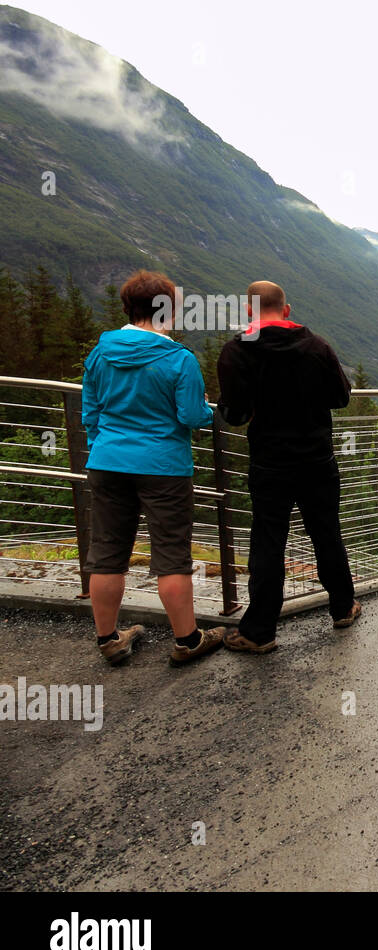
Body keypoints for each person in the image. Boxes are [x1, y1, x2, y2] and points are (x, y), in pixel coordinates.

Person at [81, 270, 226, 665]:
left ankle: (109, 639)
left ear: (128, 308)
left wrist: (103, 448)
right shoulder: (179, 359)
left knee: (106, 553)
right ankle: (187, 640)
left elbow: (91, 413)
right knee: (171, 555)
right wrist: (206, 408)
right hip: (163, 466)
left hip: (107, 462)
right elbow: (191, 415)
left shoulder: (100, 353)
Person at [217, 282, 358, 653]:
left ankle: (259, 632)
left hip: (270, 463)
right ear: (287, 309)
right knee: (326, 534)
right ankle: (343, 607)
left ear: (249, 310)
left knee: (268, 541)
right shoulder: (317, 346)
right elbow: (341, 397)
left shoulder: (236, 351)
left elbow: (234, 414)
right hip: (317, 460)